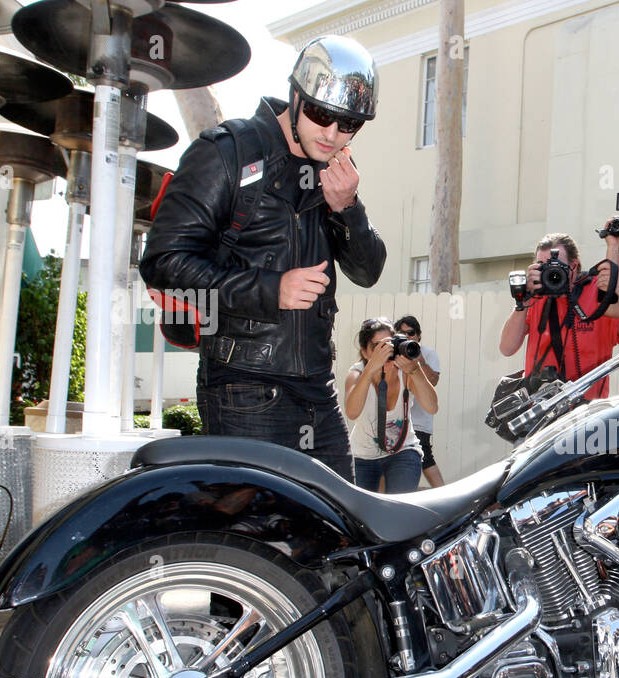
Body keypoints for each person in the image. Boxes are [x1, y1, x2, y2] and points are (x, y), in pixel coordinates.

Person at [140, 36, 387, 481]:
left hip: (317, 388)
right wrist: (271, 290)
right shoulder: (227, 151)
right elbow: (163, 263)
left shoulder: (332, 171)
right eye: (321, 114)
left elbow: (368, 271)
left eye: (348, 123)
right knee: (256, 537)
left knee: (339, 532)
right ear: (295, 96)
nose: (332, 134)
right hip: (244, 385)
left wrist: (348, 208)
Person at [498, 231, 619, 399]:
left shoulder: (597, 292)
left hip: (587, 411)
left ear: (574, 265)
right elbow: (507, 348)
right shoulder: (536, 297)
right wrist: (523, 301)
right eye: (542, 266)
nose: (551, 272)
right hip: (540, 410)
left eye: (556, 265)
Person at [345, 318, 437, 493]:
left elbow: (432, 407)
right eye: (378, 347)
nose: (385, 352)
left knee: (398, 505)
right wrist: (371, 368)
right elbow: (352, 412)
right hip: (363, 455)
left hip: (403, 450)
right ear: (365, 352)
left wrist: (415, 370)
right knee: (360, 511)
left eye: (389, 345)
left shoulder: (405, 371)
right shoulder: (356, 373)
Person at [393, 315, 445, 487]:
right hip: (396, 419)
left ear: (419, 336)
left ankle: (444, 496)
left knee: (425, 459)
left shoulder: (428, 353)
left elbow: (434, 381)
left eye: (411, 333)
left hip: (419, 421)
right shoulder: (394, 354)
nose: (407, 337)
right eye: (402, 333)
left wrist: (419, 360)